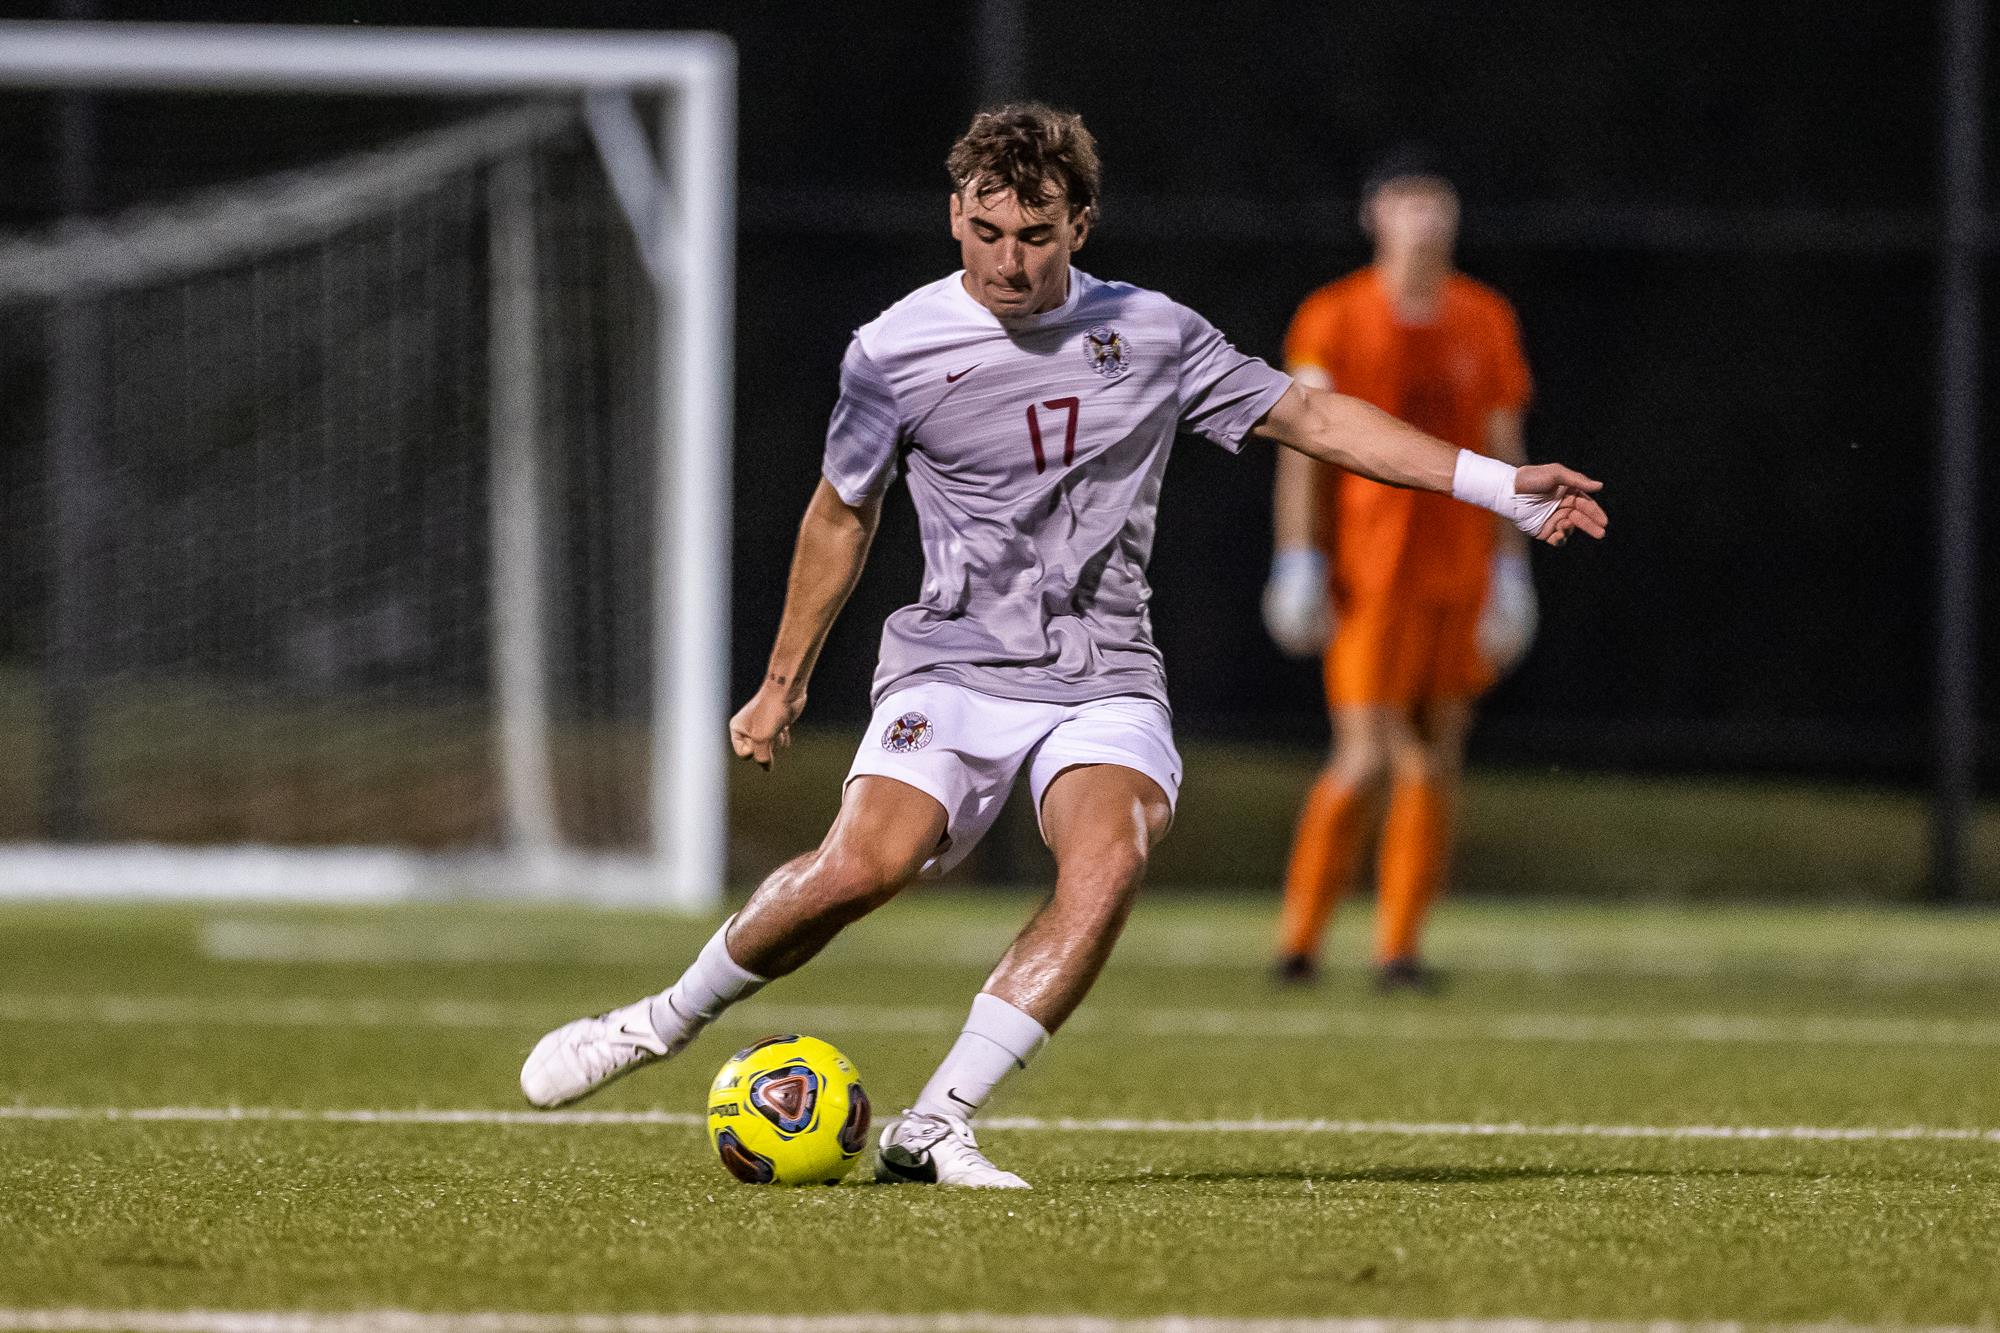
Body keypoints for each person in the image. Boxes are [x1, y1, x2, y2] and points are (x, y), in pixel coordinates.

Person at [521, 108, 1605, 1189]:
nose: (1007, 259)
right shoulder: (892, 349)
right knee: (864, 866)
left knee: (1112, 852)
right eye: (985, 230)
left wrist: (1497, 487)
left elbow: (1311, 422)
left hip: (1102, 674)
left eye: (1034, 234)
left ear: (1080, 224)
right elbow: (840, 515)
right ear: (954, 216)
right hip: (947, 664)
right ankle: (660, 1022)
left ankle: (937, 1120)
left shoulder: (1152, 334)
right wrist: (778, 684)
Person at [1262, 147, 1542, 993]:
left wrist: (1513, 569)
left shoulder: (1484, 317)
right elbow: (1303, 445)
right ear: (1374, 215)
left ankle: (1398, 949)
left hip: (1455, 572)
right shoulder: (1334, 316)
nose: (1425, 217)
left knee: (1435, 755)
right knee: (1367, 756)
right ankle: (1300, 940)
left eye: (1437, 201)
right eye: (1408, 201)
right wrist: (1300, 555)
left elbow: (1505, 447)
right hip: (1369, 573)